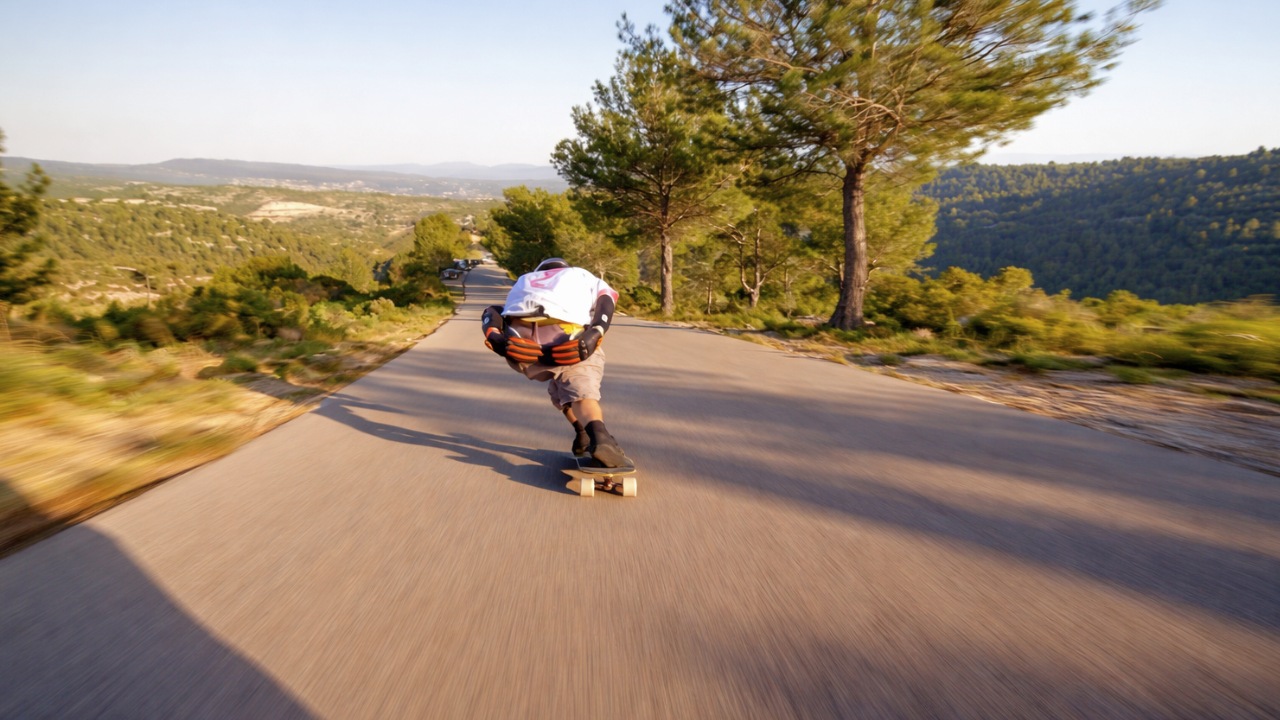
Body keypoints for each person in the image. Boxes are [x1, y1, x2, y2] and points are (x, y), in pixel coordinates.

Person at [481, 258, 632, 468]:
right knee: (582, 394)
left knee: (561, 385)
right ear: (564, 268)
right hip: (564, 340)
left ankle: (583, 435)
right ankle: (602, 439)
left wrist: (494, 335)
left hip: (520, 345)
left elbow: (493, 310)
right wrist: (597, 330)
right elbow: (607, 298)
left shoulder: (525, 279)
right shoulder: (579, 274)